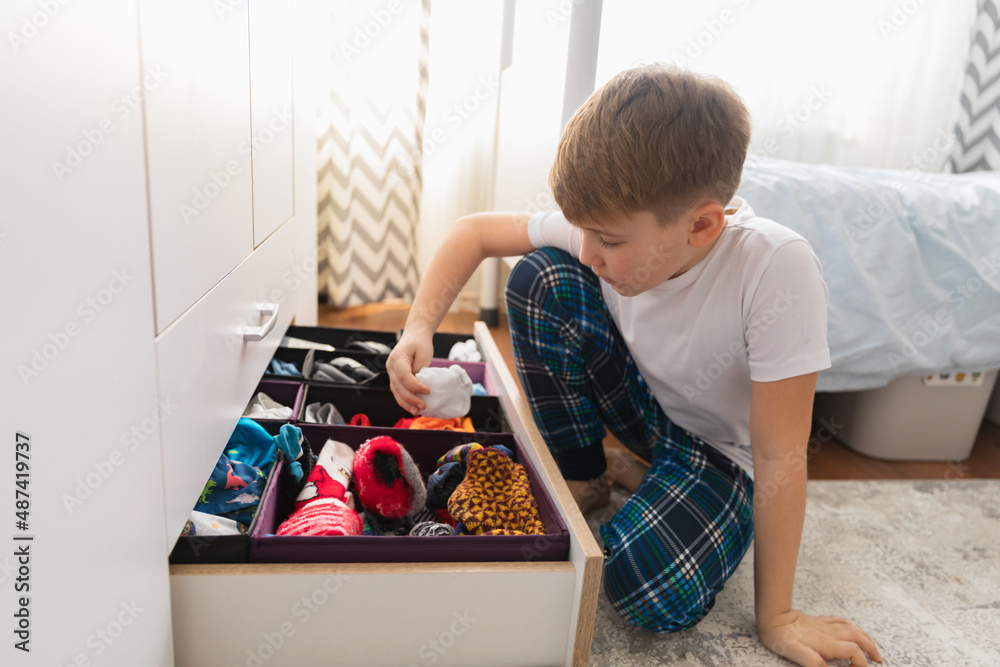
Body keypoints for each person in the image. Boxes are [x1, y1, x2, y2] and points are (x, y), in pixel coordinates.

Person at [386, 64, 882, 667]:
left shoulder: (777, 268)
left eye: (610, 242)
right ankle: (591, 472)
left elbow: (780, 455)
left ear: (702, 226)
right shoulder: (614, 226)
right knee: (539, 275)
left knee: (643, 589)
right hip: (650, 404)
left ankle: (649, 479)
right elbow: (475, 232)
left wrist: (776, 617)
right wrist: (418, 328)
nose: (589, 250)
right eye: (583, 230)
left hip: (723, 455)